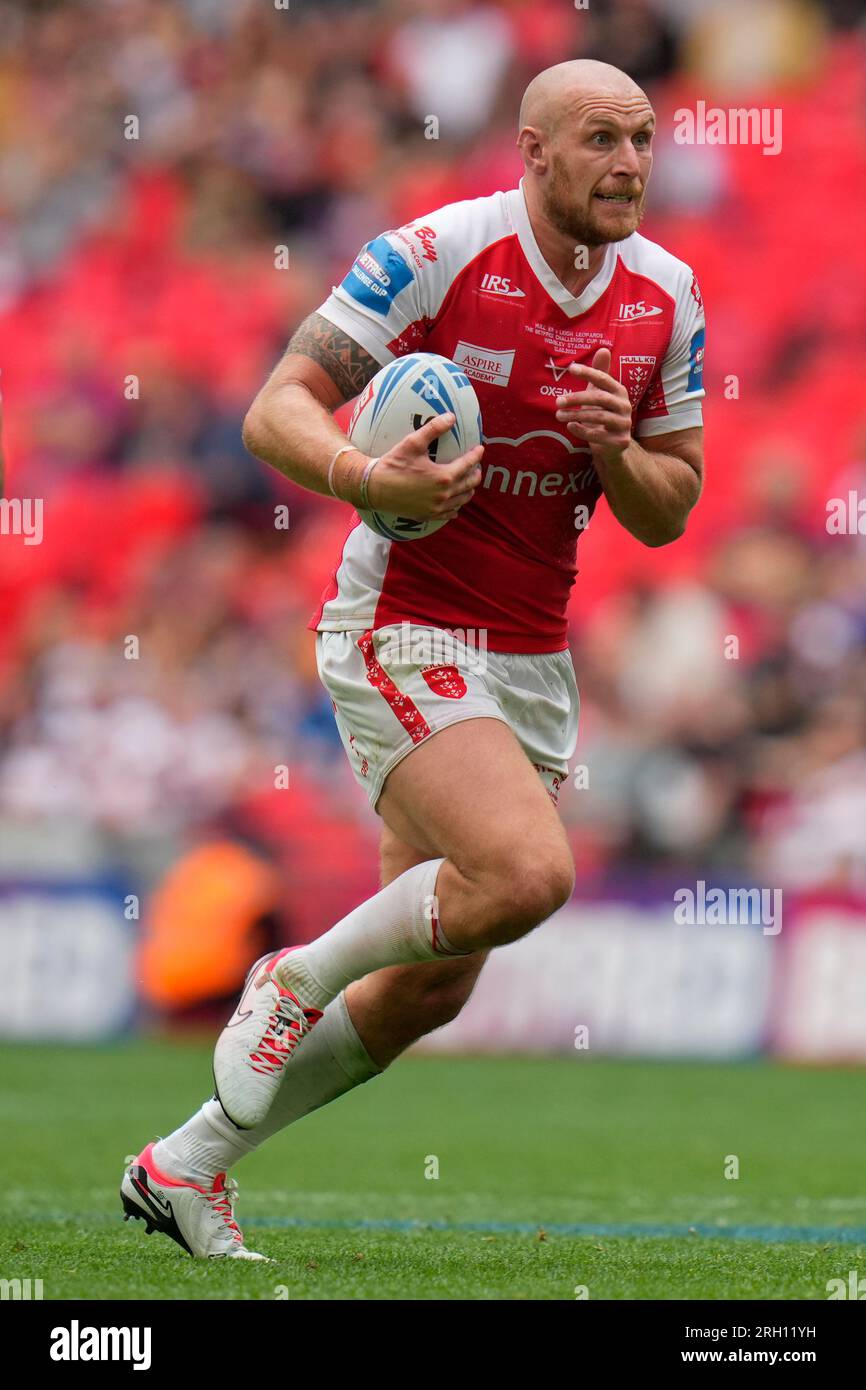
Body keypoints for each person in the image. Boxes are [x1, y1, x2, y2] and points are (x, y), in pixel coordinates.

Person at [121, 59, 705, 1258]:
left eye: (642, 139)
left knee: (436, 981)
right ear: (532, 151)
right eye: (600, 139)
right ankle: (289, 979)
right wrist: (365, 476)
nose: (629, 163)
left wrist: (615, 452)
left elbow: (669, 507)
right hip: (402, 625)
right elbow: (275, 405)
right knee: (527, 874)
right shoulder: (434, 252)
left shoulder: (665, 293)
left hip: (532, 659)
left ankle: (183, 1166)